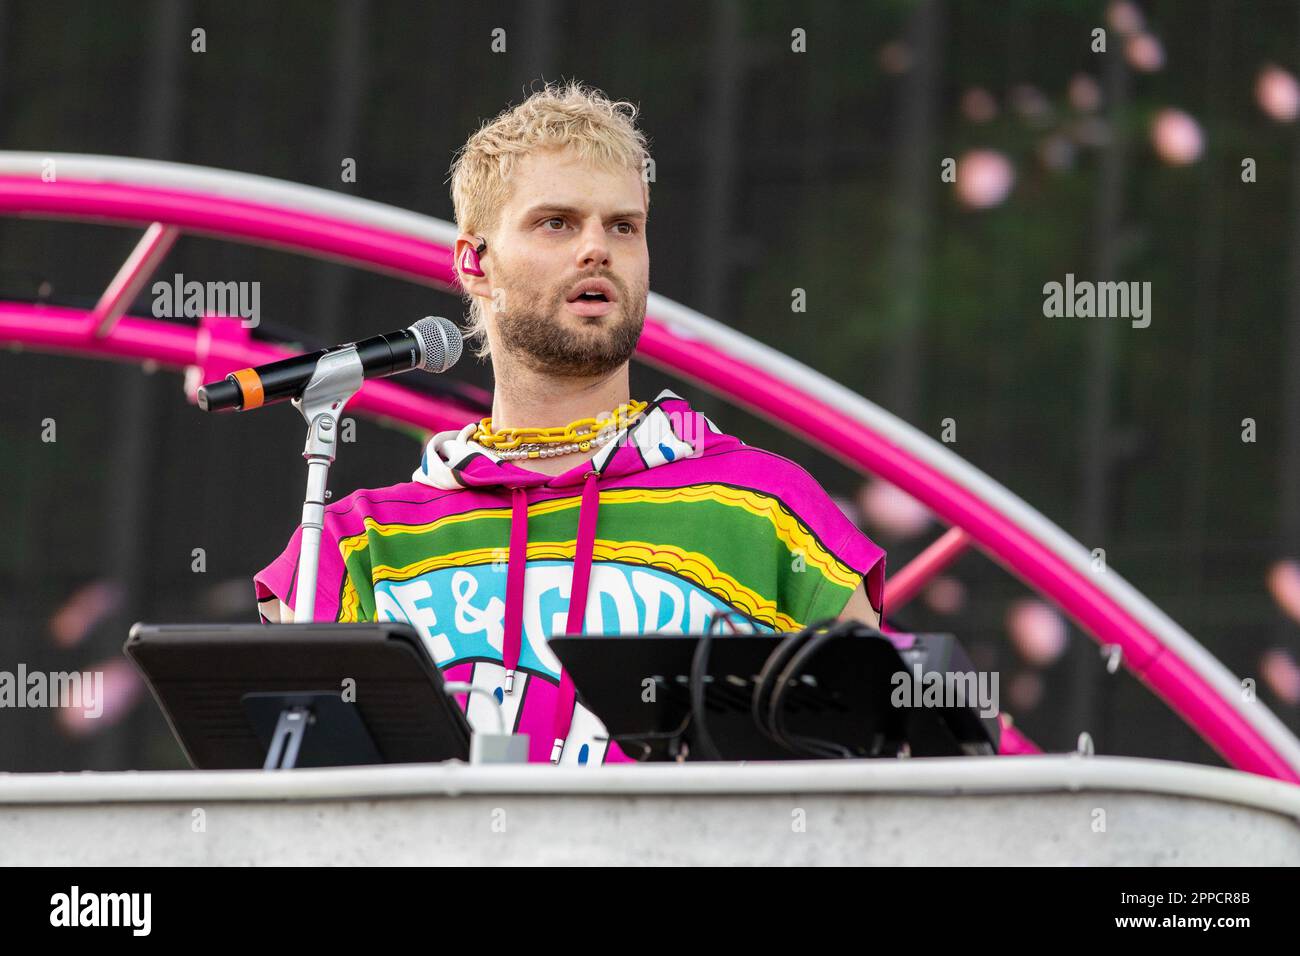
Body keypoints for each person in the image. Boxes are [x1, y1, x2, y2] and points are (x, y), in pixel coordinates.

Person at [253, 80, 885, 766]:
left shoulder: (765, 506)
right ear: (475, 263)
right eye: (556, 222)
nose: (597, 249)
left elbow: (879, 764)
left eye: (623, 226)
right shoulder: (356, 542)